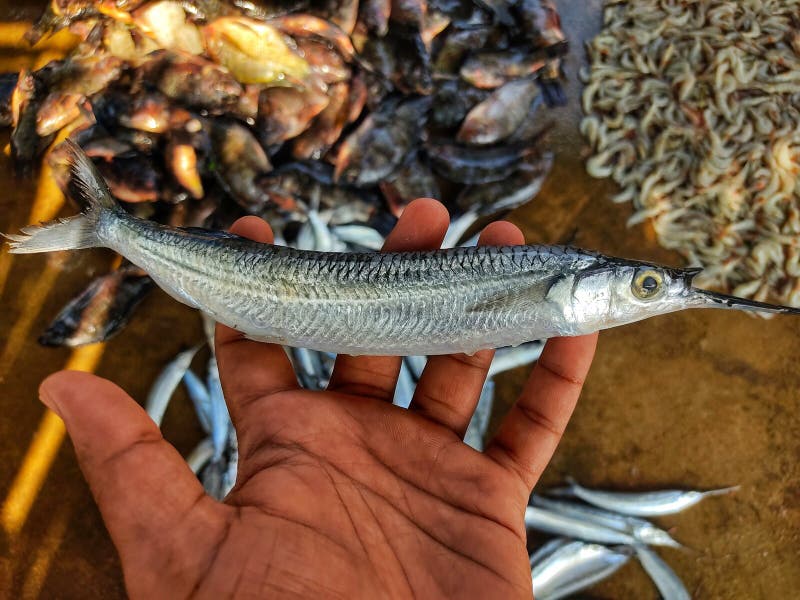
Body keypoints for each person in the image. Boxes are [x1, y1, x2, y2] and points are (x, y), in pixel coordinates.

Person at [39, 198, 598, 599]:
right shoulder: (543, 279)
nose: (648, 297)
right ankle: (111, 225)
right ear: (572, 286)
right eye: (643, 288)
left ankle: (112, 225)